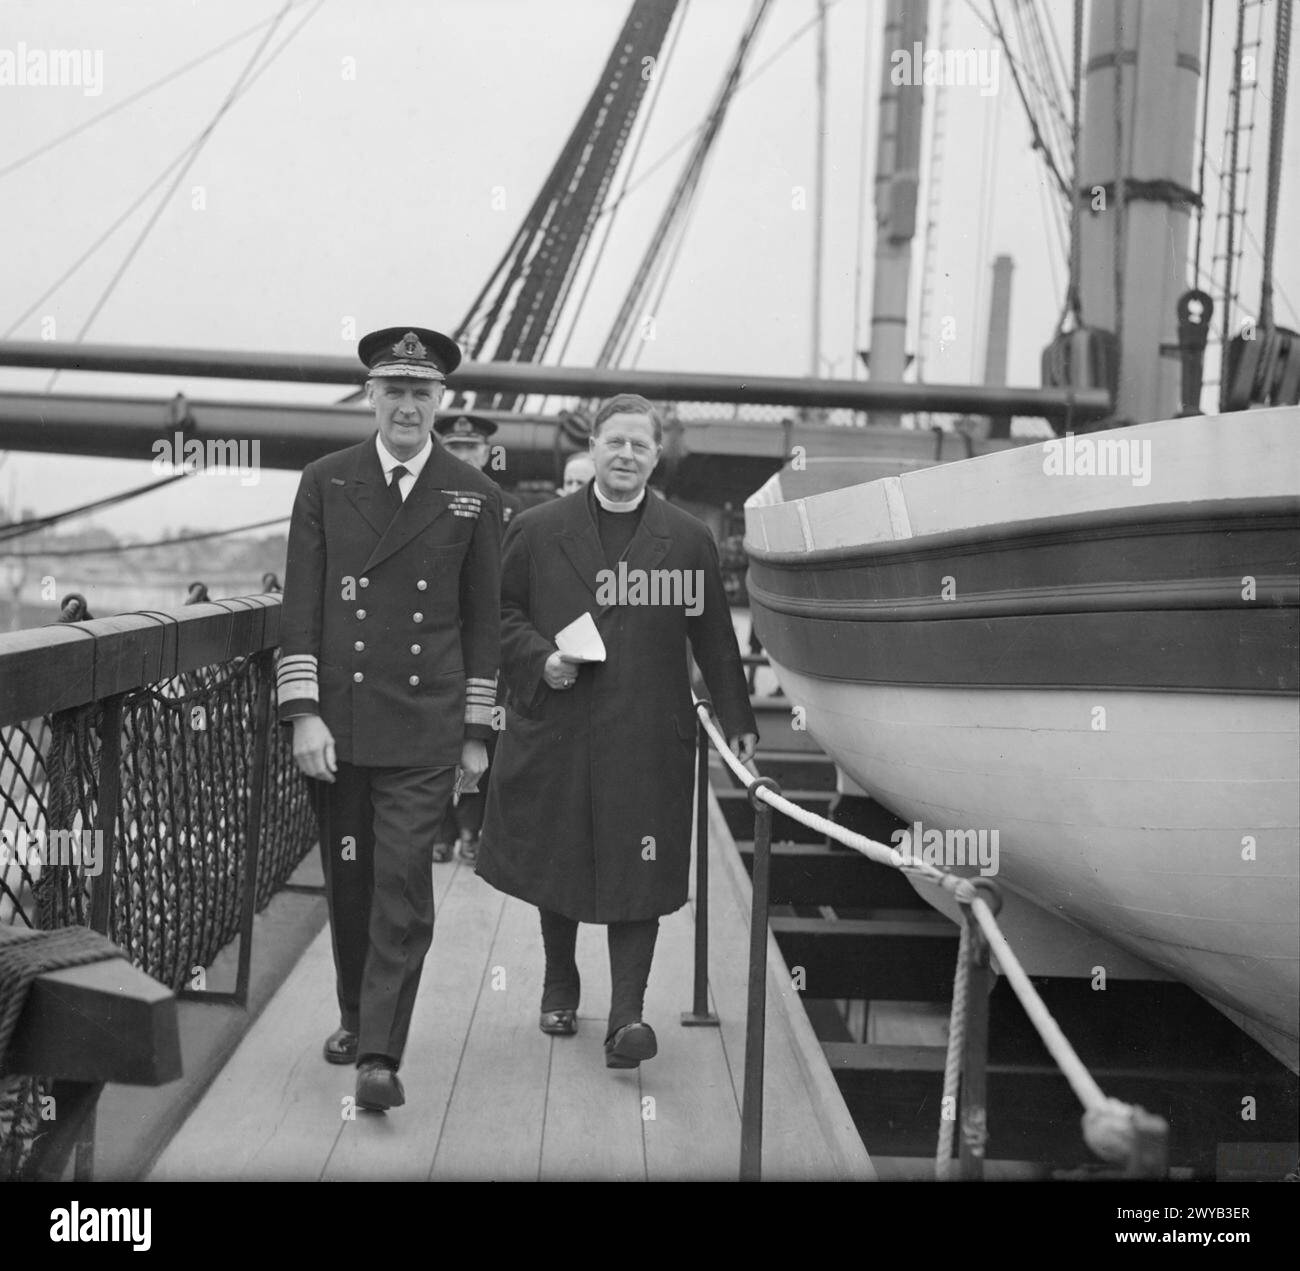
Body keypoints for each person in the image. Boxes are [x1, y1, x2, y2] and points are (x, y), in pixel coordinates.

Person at [476, 392, 757, 1070]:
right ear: (593, 449)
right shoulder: (538, 529)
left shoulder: (688, 539)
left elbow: (716, 640)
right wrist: (541, 658)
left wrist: (739, 721)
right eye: (615, 442)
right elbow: (500, 616)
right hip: (560, 727)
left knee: (644, 868)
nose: (626, 454)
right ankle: (560, 979)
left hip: (648, 735)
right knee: (558, 856)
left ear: (655, 457)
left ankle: (628, 1015)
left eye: (639, 444)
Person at [278, 326, 502, 1112]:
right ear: (372, 396)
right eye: (394, 391)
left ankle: (379, 1050)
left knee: (403, 880)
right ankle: (353, 1010)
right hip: (338, 726)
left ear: (442, 400)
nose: (407, 406)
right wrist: (303, 712)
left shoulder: (477, 493)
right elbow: (300, 605)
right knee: (351, 879)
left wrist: (477, 730)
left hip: (425, 724)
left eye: (422, 392)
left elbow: (484, 623)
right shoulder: (325, 482)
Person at [428, 412, 520, 866]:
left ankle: (471, 827)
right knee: (435, 734)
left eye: (472, 448)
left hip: (491, 641)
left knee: (483, 732)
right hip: (435, 638)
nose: (464, 455)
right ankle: (440, 830)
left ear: (487, 453)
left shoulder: (508, 508)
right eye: (456, 447)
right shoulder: (423, 500)